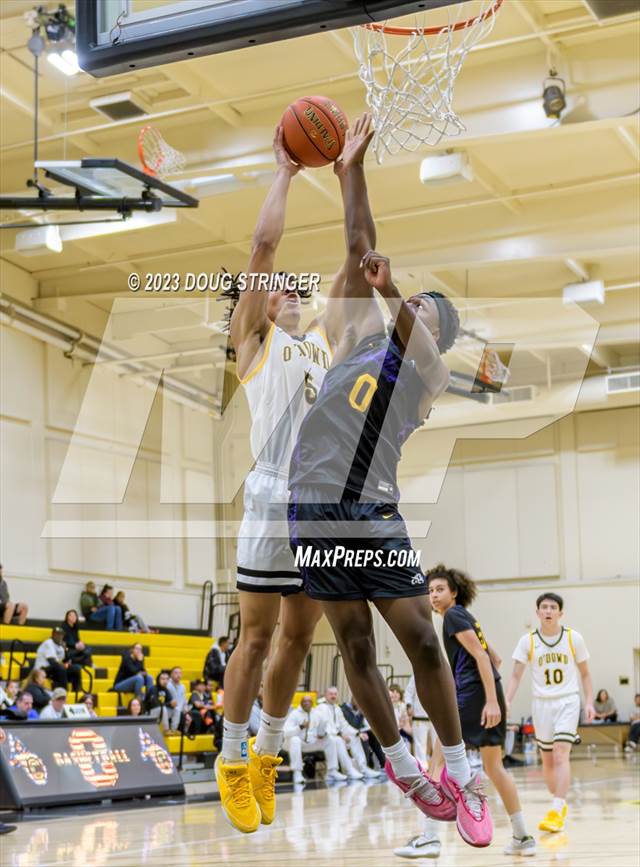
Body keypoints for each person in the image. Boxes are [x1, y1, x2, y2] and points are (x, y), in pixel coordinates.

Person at [287, 118, 491, 847]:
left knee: (423, 643)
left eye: (427, 313)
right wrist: (350, 170)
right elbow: (358, 247)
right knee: (354, 650)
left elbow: (414, 326)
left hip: (371, 508)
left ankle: (465, 775)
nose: (411, 312)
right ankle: (405, 768)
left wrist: (403, 293)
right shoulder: (350, 337)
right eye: (413, 307)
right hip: (311, 510)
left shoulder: (426, 375)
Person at [215, 116, 361, 834]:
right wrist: (286, 168)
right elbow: (264, 247)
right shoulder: (255, 345)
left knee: (301, 641)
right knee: (255, 637)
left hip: (320, 503)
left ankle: (268, 757)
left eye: (290, 291)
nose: (288, 291)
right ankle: (232, 758)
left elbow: (353, 258)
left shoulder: (320, 348)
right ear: (257, 309)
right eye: (275, 292)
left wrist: (347, 175)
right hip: (271, 496)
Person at [428, 566, 536, 856]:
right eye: (430, 591)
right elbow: (495, 658)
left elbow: (480, 655)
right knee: (493, 767)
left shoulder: (453, 615)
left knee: (438, 759)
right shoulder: (465, 617)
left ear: (454, 592)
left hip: (473, 696)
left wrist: (490, 700)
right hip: (484, 694)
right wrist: (496, 697)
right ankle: (523, 836)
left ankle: (430, 837)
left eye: (439, 589)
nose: (434, 595)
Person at [505, 592, 595, 834]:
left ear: (560, 613)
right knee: (547, 761)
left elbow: (585, 673)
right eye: (543, 607)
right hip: (541, 704)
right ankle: (559, 801)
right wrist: (507, 700)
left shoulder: (573, 638)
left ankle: (557, 807)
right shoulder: (528, 641)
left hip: (567, 701)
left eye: (552, 607)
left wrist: (589, 702)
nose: (548, 611)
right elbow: (515, 675)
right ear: (537, 613)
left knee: (560, 754)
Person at [283, 694, 345, 784]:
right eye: (305, 701)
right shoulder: (294, 714)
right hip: (292, 744)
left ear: (312, 703)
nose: (307, 703)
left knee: (330, 740)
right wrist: (300, 727)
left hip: (310, 744)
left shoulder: (317, 714)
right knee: (295, 740)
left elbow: (326, 728)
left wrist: (323, 734)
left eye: (309, 701)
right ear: (301, 703)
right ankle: (297, 773)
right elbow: (286, 733)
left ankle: (332, 771)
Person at [316, 686, 375, 779]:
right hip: (325, 739)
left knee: (355, 737)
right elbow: (325, 728)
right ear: (326, 695)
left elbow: (344, 725)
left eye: (335, 694)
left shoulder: (337, 708)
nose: (333, 696)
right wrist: (341, 735)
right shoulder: (321, 708)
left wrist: (357, 733)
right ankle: (349, 770)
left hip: (337, 737)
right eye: (330, 694)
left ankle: (363, 768)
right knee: (338, 740)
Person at [341, 695, 386, 772]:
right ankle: (366, 767)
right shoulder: (345, 709)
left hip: (359, 732)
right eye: (359, 701)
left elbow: (362, 725)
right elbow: (355, 725)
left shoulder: (356, 709)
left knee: (372, 735)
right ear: (353, 699)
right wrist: (361, 713)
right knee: (365, 736)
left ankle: (384, 765)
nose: (361, 704)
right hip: (349, 734)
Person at [34, 627, 81, 693]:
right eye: (57, 634)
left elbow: (66, 660)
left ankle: (76, 692)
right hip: (42, 669)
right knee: (60, 668)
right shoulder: (48, 643)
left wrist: (65, 649)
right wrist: (64, 666)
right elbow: (52, 662)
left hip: (54, 668)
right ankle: (63, 692)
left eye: (61, 635)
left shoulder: (60, 646)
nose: (60, 637)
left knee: (75, 668)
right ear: (53, 635)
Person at [404, 675, 432, 768]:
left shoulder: (438, 672)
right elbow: (408, 692)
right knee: (420, 745)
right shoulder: (416, 675)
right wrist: (409, 705)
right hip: (419, 716)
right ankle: (422, 768)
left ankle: (438, 768)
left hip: (436, 717)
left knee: (437, 745)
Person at [166, 666, 188, 732]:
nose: (178, 675)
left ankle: (185, 733)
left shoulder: (183, 686)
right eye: (176, 673)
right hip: (169, 708)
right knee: (177, 710)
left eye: (180, 673)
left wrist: (186, 711)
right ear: (171, 674)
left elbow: (184, 700)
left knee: (191, 716)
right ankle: (173, 730)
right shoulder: (167, 684)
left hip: (180, 709)